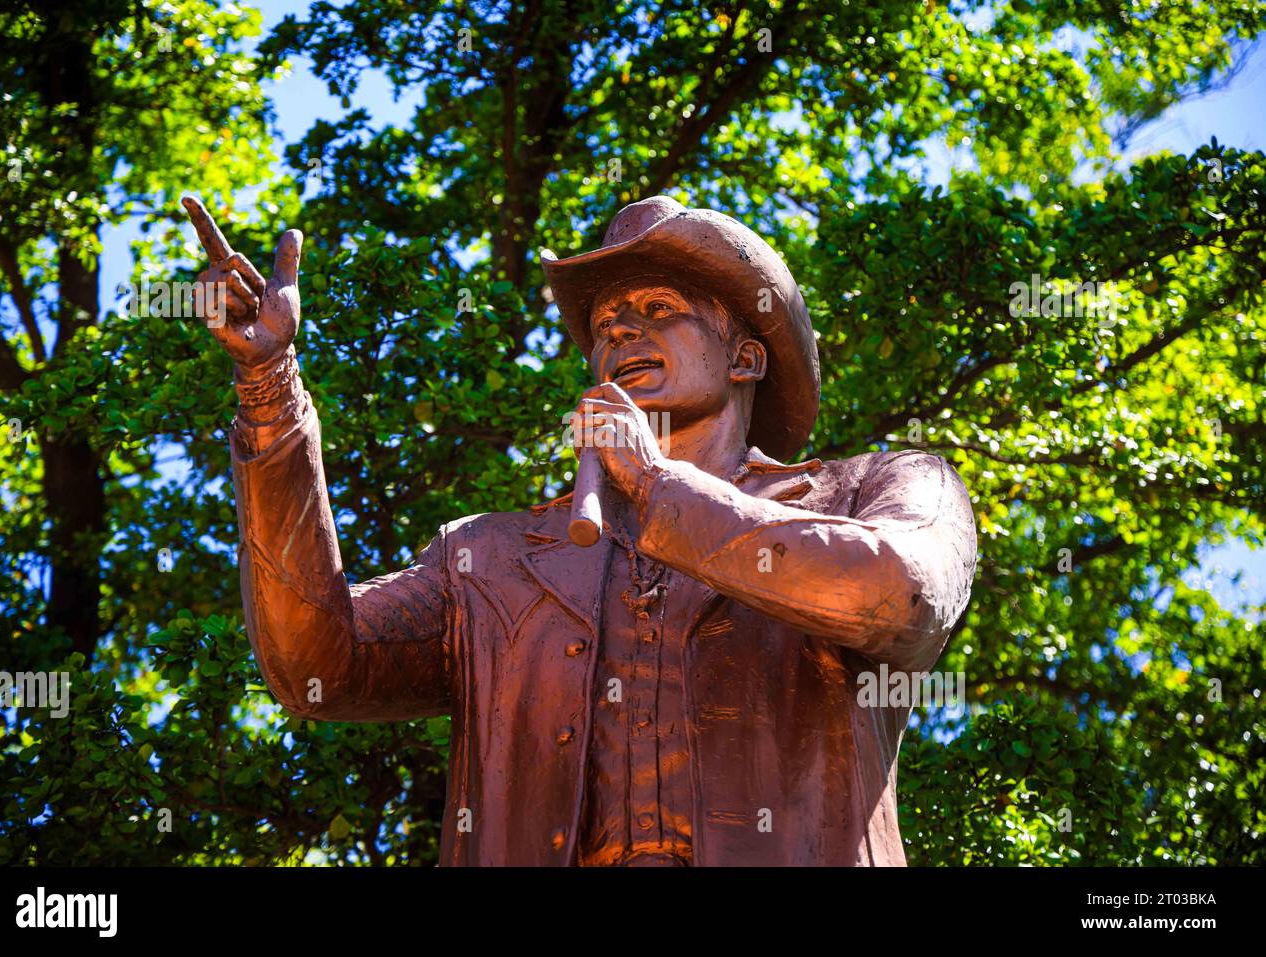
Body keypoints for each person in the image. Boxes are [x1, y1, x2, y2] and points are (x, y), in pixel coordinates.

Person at [183, 193, 978, 866]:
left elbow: (900, 596)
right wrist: (268, 388)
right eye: (606, 322)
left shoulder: (870, 490)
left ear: (746, 358)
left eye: (660, 310)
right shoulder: (487, 558)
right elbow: (314, 661)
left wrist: (658, 485)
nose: (622, 331)